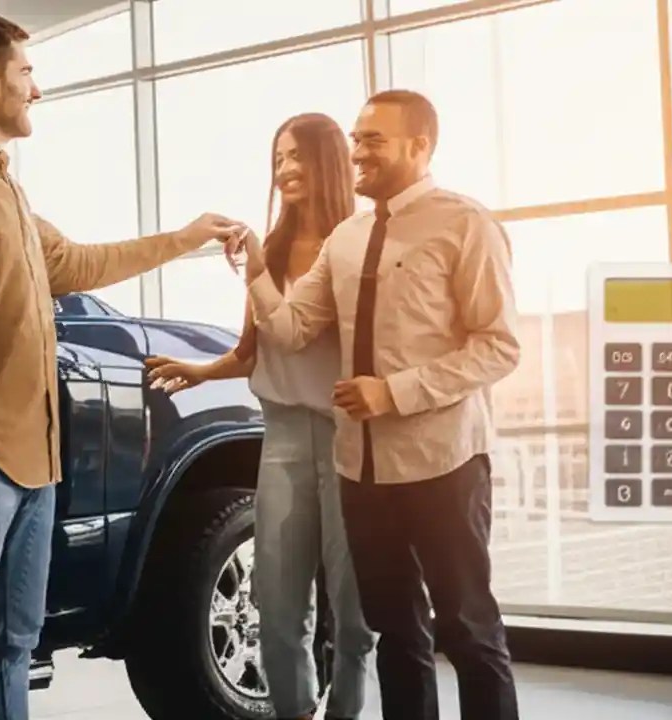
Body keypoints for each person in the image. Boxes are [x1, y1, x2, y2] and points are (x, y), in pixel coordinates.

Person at [0, 11, 245, 720]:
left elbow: (76, 264)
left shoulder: (5, 189)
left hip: (37, 467)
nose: (34, 90)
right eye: (26, 73)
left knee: (14, 644)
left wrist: (187, 236)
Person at [234, 90, 521, 720]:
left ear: (421, 146)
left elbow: (499, 346)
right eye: (356, 139)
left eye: (374, 140)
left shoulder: (464, 223)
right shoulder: (347, 237)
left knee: (469, 628)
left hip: (444, 463)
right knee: (395, 633)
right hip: (361, 472)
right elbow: (288, 331)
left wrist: (392, 393)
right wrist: (256, 269)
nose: (358, 151)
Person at [145, 113, 375, 720]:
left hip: (349, 439)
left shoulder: (353, 244)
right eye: (278, 158)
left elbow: (298, 333)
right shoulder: (270, 249)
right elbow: (255, 350)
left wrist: (255, 273)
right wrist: (199, 372)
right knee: (276, 604)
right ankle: (296, 711)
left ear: (327, 161)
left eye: (298, 155)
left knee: (353, 611)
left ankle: (346, 713)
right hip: (281, 439)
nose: (286, 168)